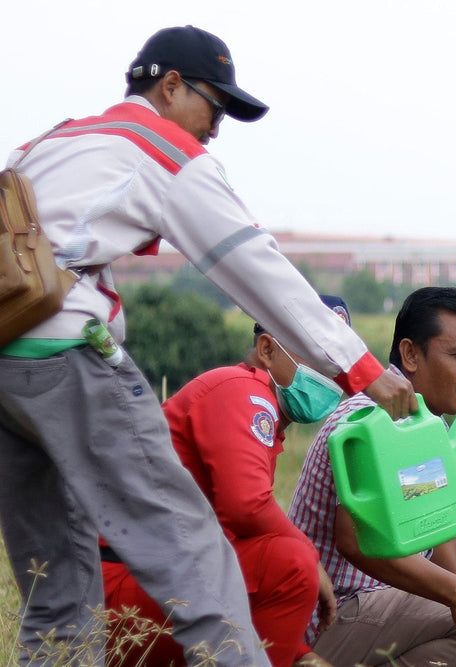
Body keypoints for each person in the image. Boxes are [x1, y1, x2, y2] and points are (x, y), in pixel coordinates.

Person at [0, 25, 413, 666]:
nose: (215, 129)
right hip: (69, 361)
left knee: (56, 589)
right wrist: (360, 369)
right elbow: (254, 266)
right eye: (214, 108)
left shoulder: (46, 143)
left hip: (8, 370)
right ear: (170, 86)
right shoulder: (160, 148)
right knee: (195, 558)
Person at [101, 296, 354, 667]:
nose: (328, 377)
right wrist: (311, 559)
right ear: (267, 349)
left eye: (336, 364)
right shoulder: (242, 390)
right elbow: (247, 507)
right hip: (123, 587)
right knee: (292, 562)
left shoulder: (259, 411)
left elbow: (229, 546)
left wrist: (300, 654)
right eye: (316, 357)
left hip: (151, 583)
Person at [289, 287, 456, 666]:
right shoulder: (371, 420)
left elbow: (438, 529)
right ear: (411, 354)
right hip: (331, 613)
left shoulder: (424, 423)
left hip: (371, 602)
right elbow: (356, 543)